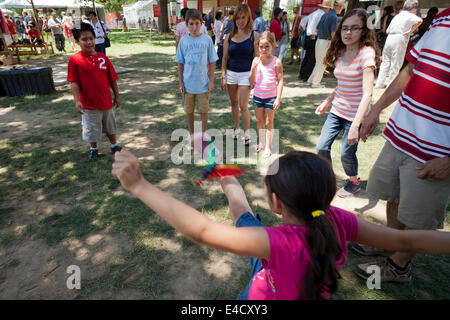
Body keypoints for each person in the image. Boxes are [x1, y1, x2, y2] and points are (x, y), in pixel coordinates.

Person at [112, 148, 450, 299]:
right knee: (242, 217)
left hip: (263, 289)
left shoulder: (273, 241)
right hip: (267, 273)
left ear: (276, 203)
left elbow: (201, 230)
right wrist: (222, 171)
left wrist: (140, 186)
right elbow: (407, 241)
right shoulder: (338, 220)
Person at [352, 7, 450, 284]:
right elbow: (410, 69)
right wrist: (376, 111)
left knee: (418, 217)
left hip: (437, 150)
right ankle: (389, 243)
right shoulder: (443, 17)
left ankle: (399, 266)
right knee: (392, 196)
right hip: (401, 133)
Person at [315, 9, 380, 198]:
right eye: (345, 28)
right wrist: (327, 101)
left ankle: (353, 182)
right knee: (321, 147)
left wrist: (355, 126)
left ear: (364, 31)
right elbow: (342, 85)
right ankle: (327, 179)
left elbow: (367, 93)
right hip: (337, 111)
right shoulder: (341, 51)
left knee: (346, 154)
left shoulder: (366, 54)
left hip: (355, 115)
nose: (348, 33)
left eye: (354, 28)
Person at [68, 22, 122, 161]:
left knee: (110, 126)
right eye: (84, 39)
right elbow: (74, 82)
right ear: (77, 41)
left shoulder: (103, 58)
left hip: (105, 101)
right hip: (89, 104)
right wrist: (77, 100)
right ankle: (93, 148)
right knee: (92, 128)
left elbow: (112, 79)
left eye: (91, 38)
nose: (89, 42)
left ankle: (114, 145)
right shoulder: (75, 60)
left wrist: (116, 96)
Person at [175, 9, 218, 135]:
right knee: (189, 111)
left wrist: (211, 81)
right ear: (186, 24)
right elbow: (180, 63)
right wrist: (181, 83)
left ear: (202, 23)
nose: (194, 27)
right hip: (188, 84)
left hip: (203, 84)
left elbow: (212, 61)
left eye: (197, 23)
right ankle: (193, 134)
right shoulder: (183, 41)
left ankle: (203, 134)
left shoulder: (207, 40)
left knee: (204, 111)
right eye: (191, 24)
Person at [221, 4, 259, 146]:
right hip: (231, 73)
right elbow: (225, 58)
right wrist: (223, 76)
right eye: (238, 18)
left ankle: (247, 133)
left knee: (243, 105)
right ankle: (237, 128)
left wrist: (253, 76)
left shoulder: (253, 35)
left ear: (248, 18)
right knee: (234, 103)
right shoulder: (229, 36)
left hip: (246, 74)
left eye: (243, 18)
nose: (240, 21)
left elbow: (256, 58)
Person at [249, 31, 283, 158]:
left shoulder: (276, 62)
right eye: (261, 47)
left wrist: (278, 99)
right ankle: (262, 142)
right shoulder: (256, 61)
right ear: (258, 47)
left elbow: (280, 81)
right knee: (259, 120)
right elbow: (251, 81)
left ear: (273, 45)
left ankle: (268, 147)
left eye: (267, 46)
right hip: (258, 97)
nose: (263, 49)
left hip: (270, 97)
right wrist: (253, 68)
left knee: (269, 122)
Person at [374, 0, 422, 89]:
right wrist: (410, 31)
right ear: (414, 8)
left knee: (385, 62)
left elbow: (387, 31)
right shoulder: (410, 15)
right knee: (396, 63)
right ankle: (391, 85)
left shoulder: (397, 16)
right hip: (399, 38)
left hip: (390, 38)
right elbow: (420, 20)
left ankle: (379, 83)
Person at [308, 0, 346, 88]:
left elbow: (317, 29)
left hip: (319, 40)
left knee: (318, 62)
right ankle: (316, 83)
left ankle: (312, 80)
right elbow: (333, 33)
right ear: (339, 7)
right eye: (343, 7)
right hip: (326, 41)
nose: (342, 9)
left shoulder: (325, 15)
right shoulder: (334, 17)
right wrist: (335, 44)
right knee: (323, 62)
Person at [299, 0, 332, 82]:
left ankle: (302, 74)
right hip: (315, 37)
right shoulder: (323, 15)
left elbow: (302, 23)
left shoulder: (313, 14)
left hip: (309, 37)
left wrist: (307, 31)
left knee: (307, 56)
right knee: (312, 58)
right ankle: (308, 76)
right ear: (326, 8)